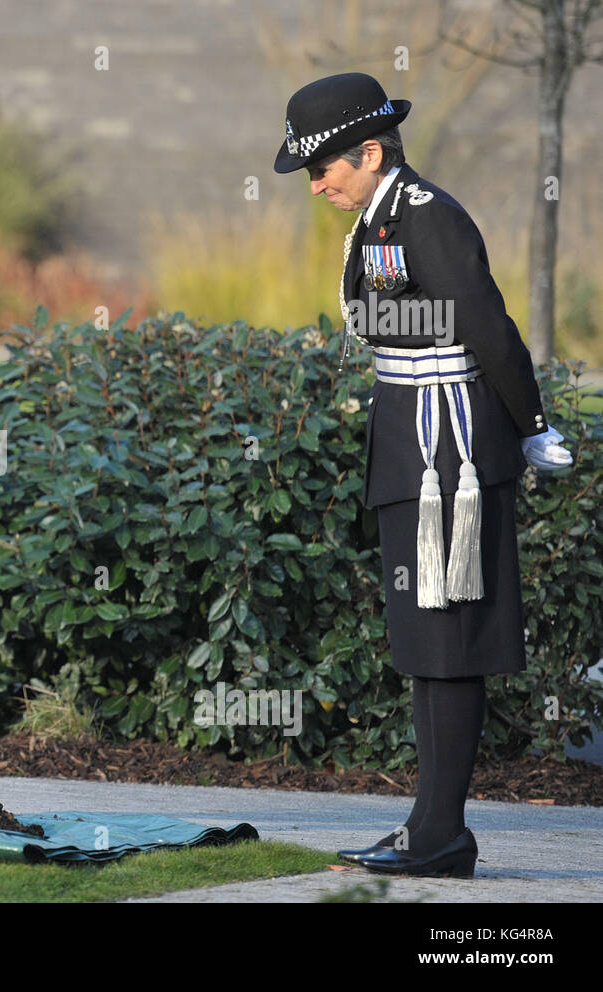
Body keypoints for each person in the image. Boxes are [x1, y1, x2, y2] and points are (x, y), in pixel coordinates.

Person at [273, 73, 572, 877]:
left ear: (370, 152)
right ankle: (432, 829)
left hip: (453, 455)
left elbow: (488, 327)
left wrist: (533, 426)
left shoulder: (426, 218)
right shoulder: (379, 219)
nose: (318, 182)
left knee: (452, 639)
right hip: (415, 447)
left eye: (327, 164)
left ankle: (439, 832)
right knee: (425, 641)